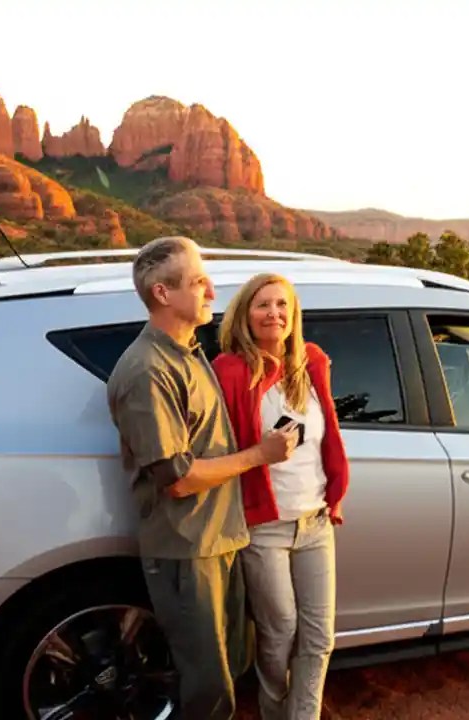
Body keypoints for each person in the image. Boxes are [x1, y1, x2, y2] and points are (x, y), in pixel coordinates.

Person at [106, 237, 299, 720]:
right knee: (207, 686)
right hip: (187, 550)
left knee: (228, 669)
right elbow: (179, 479)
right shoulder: (146, 371)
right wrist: (261, 454)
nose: (212, 289)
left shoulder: (188, 352)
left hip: (219, 540)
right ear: (161, 293)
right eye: (197, 281)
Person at [211, 272, 350, 720]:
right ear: (244, 315)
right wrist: (260, 454)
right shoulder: (232, 371)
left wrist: (336, 490)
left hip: (315, 521)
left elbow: (327, 435)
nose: (274, 314)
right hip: (264, 526)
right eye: (262, 305)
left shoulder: (310, 363)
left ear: (294, 313)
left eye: (282, 305)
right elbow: (219, 447)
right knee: (279, 630)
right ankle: (273, 710)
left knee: (318, 637)